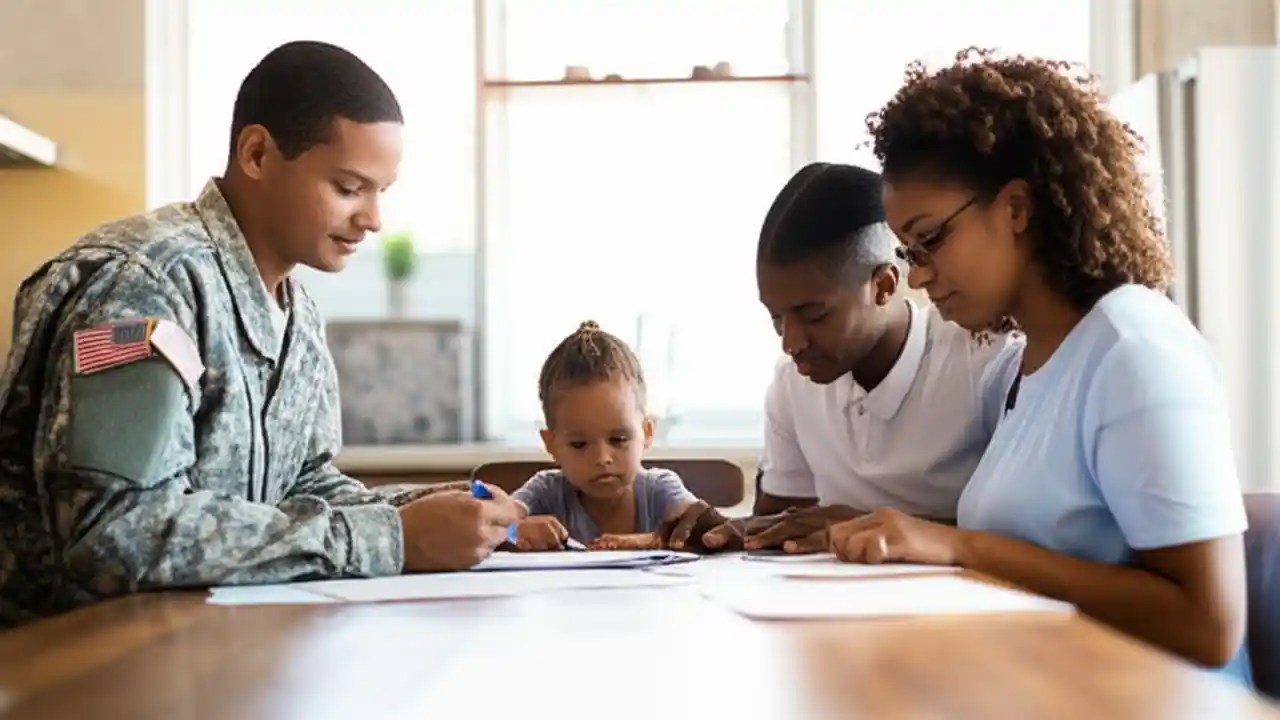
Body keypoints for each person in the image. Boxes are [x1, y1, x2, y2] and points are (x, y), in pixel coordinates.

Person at [0, 40, 517, 626]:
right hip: (76, 675)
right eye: (350, 188)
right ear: (256, 154)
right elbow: (118, 532)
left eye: (381, 192)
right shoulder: (144, 284)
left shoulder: (296, 310)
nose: (373, 219)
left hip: (211, 657)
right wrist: (388, 537)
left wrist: (439, 514)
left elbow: (304, 487)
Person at [826, 49, 1251, 681]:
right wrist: (899, 532)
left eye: (932, 239)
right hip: (1049, 681)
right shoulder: (1020, 367)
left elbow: (1209, 627)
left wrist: (960, 546)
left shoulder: (1134, 348)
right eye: (909, 251)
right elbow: (1046, 548)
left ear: (1017, 209)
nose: (918, 275)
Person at [695, 162, 1022, 553]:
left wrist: (874, 526)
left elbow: (1029, 542)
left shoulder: (985, 358)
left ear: (883, 287)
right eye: (776, 318)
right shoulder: (793, 381)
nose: (791, 342)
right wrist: (720, 531)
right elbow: (781, 526)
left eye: (814, 315)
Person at [509, 321, 715, 551]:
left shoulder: (661, 490)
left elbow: (704, 532)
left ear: (647, 432)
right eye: (579, 444)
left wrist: (648, 540)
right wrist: (515, 530)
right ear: (551, 444)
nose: (602, 458)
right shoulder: (545, 492)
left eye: (619, 440)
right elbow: (488, 527)